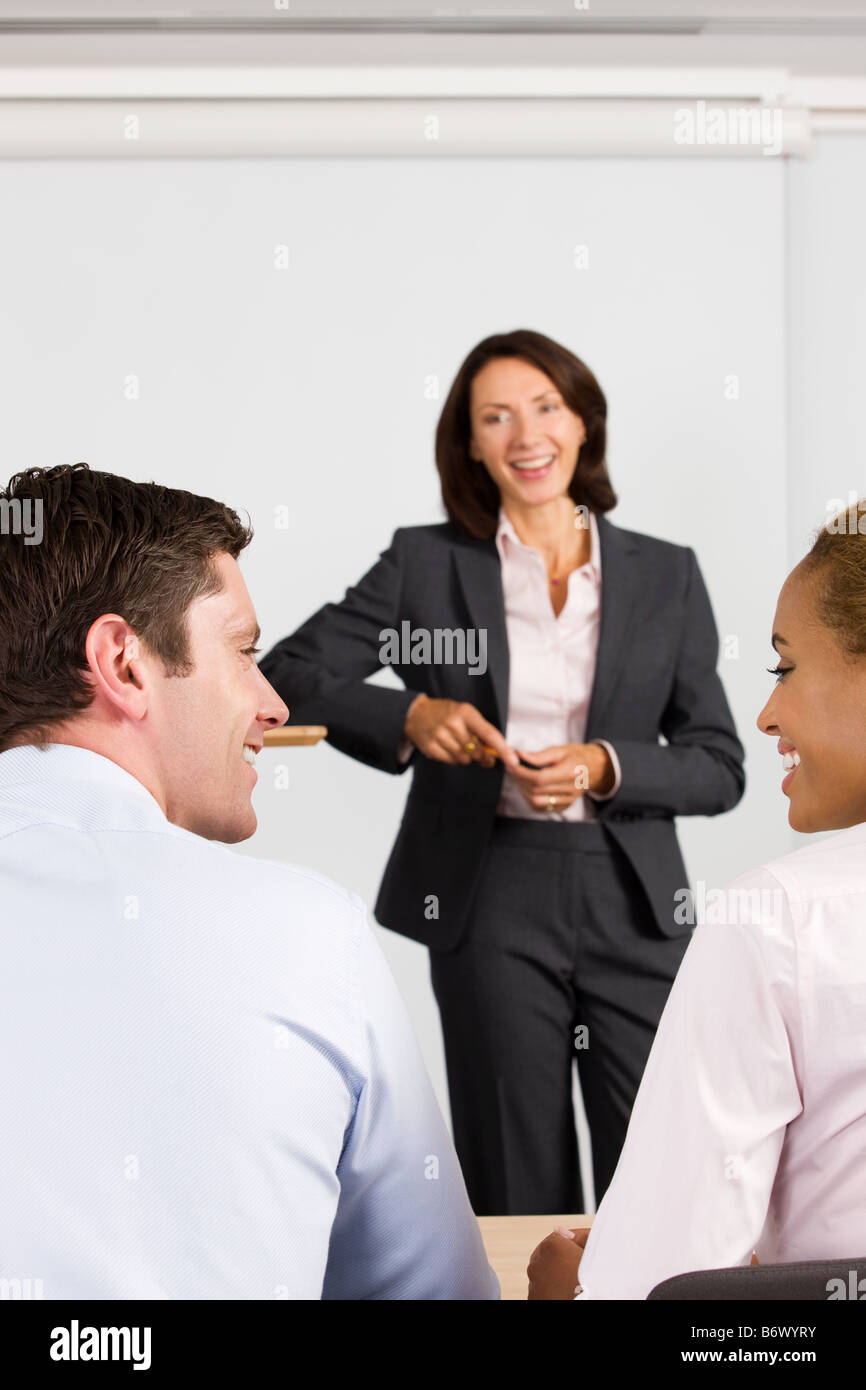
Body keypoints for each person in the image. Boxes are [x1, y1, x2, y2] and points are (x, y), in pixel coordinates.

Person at [260, 328, 746, 1216]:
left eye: (546, 407)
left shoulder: (665, 575)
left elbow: (720, 765)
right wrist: (409, 713)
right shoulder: (425, 564)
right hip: (486, 893)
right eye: (496, 416)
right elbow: (286, 674)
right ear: (471, 444)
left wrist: (606, 765)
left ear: (584, 422)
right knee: (517, 1179)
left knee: (662, 1172)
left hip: (632, 899)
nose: (527, 435)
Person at [0, 462, 498, 1301]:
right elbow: (433, 1297)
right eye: (243, 652)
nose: (273, 703)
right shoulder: (310, 937)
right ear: (122, 662)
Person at [526, 501, 866, 1298]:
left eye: (784, 667)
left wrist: (572, 1289)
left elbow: (656, 1288)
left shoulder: (780, 919)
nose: (767, 713)